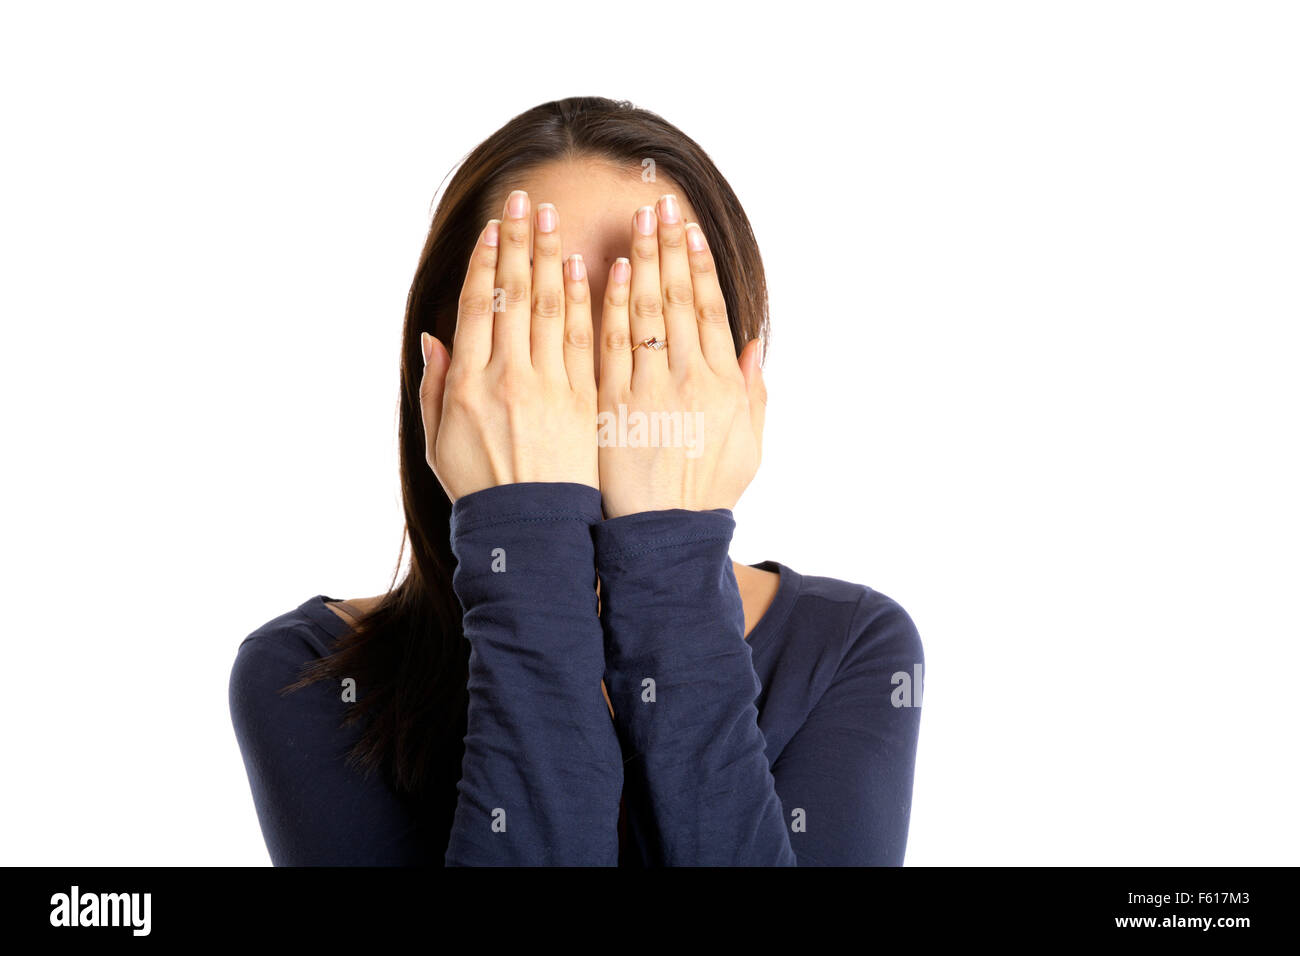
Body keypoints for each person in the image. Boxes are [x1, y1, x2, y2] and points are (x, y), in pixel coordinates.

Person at [228, 96, 924, 866]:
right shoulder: (308, 677)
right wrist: (523, 535)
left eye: (655, 324)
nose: (605, 385)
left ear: (739, 376)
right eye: (540, 322)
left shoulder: (855, 650)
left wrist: (668, 558)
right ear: (442, 377)